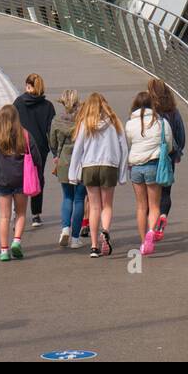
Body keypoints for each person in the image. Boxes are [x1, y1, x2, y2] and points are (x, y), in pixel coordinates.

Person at [67, 92, 127, 258]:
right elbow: (124, 147)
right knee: (107, 205)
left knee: (94, 207)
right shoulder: (115, 122)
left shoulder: (85, 123)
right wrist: (122, 173)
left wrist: (73, 174)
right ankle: (105, 232)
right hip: (109, 166)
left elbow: (78, 150)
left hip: (89, 167)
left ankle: (93, 246)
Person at [0, 104, 30, 261]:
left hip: (2, 181)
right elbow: (35, 157)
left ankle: (4, 250)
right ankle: (16, 241)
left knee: (4, 216)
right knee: (21, 213)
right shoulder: (24, 136)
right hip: (21, 180)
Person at [125, 90, 166, 256]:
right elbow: (168, 143)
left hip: (136, 167)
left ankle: (143, 241)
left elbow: (129, 141)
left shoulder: (129, 123)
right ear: (152, 105)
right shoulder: (160, 122)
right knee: (154, 205)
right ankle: (151, 232)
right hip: (153, 164)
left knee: (141, 206)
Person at [15, 73, 55, 228]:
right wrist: (55, 151)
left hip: (21, 145)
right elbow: (50, 131)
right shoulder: (48, 106)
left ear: (28, 86)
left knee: (20, 177)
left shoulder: (18, 103)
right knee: (37, 177)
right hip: (40, 147)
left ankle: (19, 212)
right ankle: (36, 214)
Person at [147, 79, 185, 241]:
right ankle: (162, 215)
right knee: (166, 192)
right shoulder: (173, 112)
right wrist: (177, 154)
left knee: (150, 194)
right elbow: (180, 136)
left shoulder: (148, 111)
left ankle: (151, 225)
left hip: (149, 157)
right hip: (167, 157)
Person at [49, 90, 87, 248]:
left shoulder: (57, 120)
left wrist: (56, 153)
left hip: (64, 161)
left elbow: (52, 142)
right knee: (79, 199)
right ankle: (76, 238)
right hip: (82, 162)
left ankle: (65, 228)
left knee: (67, 197)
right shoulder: (83, 120)